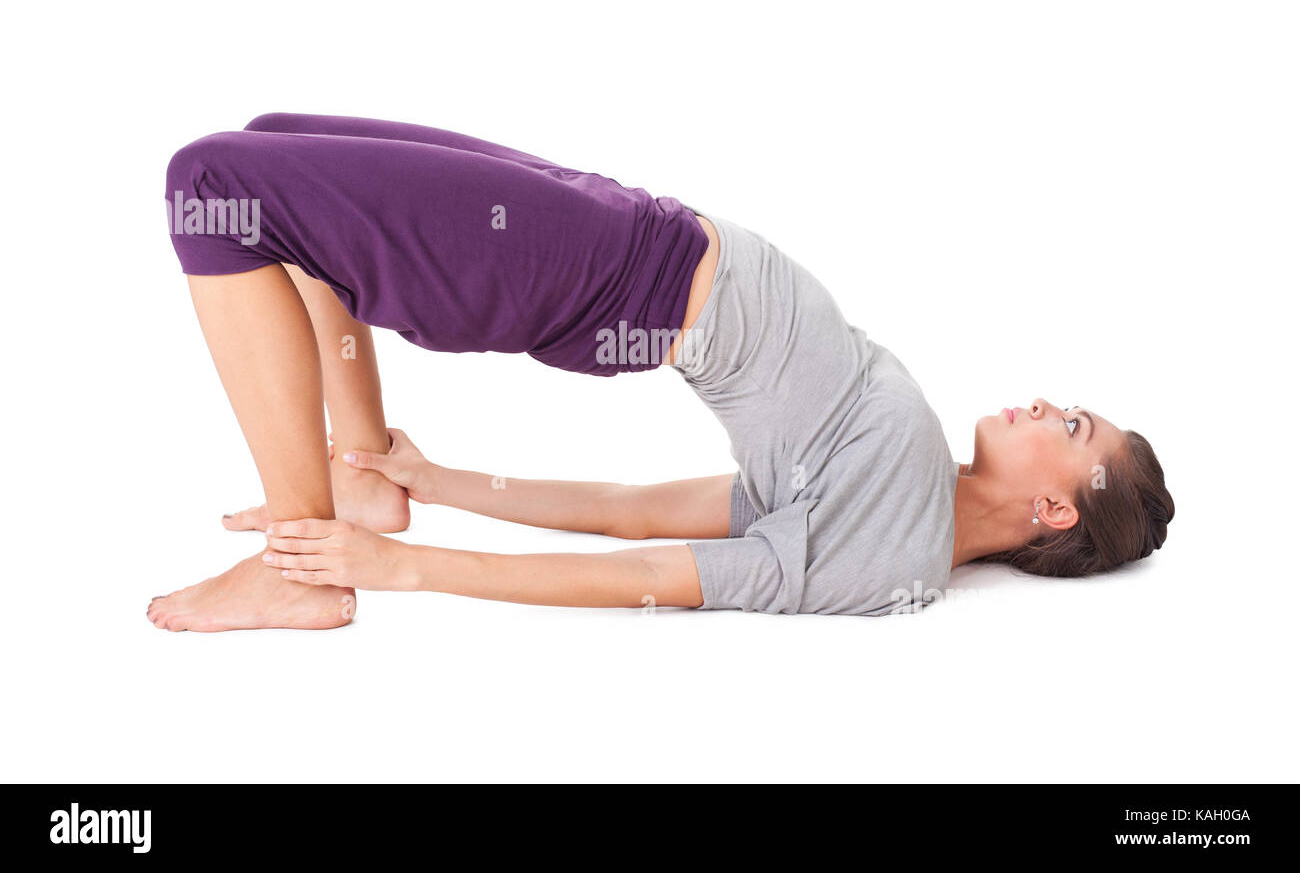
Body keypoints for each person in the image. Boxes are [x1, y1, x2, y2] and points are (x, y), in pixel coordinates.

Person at [148, 113, 1174, 631]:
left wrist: (404, 572)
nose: (1049, 404)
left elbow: (645, 573)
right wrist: (440, 477)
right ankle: (365, 474)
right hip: (629, 232)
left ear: (1051, 508)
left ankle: (299, 572)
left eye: (1074, 425)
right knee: (274, 139)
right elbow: (631, 508)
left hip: (591, 273)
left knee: (217, 183)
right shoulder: (914, 494)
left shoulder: (884, 557)